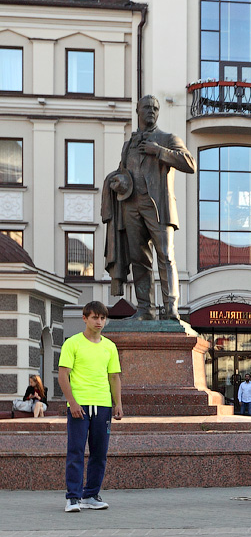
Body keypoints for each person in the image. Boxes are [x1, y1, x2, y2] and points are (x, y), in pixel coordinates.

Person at [103, 94, 195, 321]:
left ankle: (171, 309)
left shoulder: (166, 138)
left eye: (155, 108)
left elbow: (189, 163)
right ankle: (145, 309)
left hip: (158, 207)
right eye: (147, 107)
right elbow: (123, 172)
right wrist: (116, 181)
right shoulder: (128, 145)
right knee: (139, 258)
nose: (151, 111)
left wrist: (160, 152)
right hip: (131, 206)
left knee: (165, 256)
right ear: (138, 110)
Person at [58, 301, 123, 512]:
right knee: (75, 451)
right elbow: (63, 376)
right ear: (85, 318)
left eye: (103, 318)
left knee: (99, 453)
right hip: (80, 406)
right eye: (95, 317)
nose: (99, 322)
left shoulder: (109, 346)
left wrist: (118, 404)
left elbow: (114, 377)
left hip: (103, 405)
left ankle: (91, 495)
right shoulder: (73, 343)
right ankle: (73, 497)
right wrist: (73, 403)